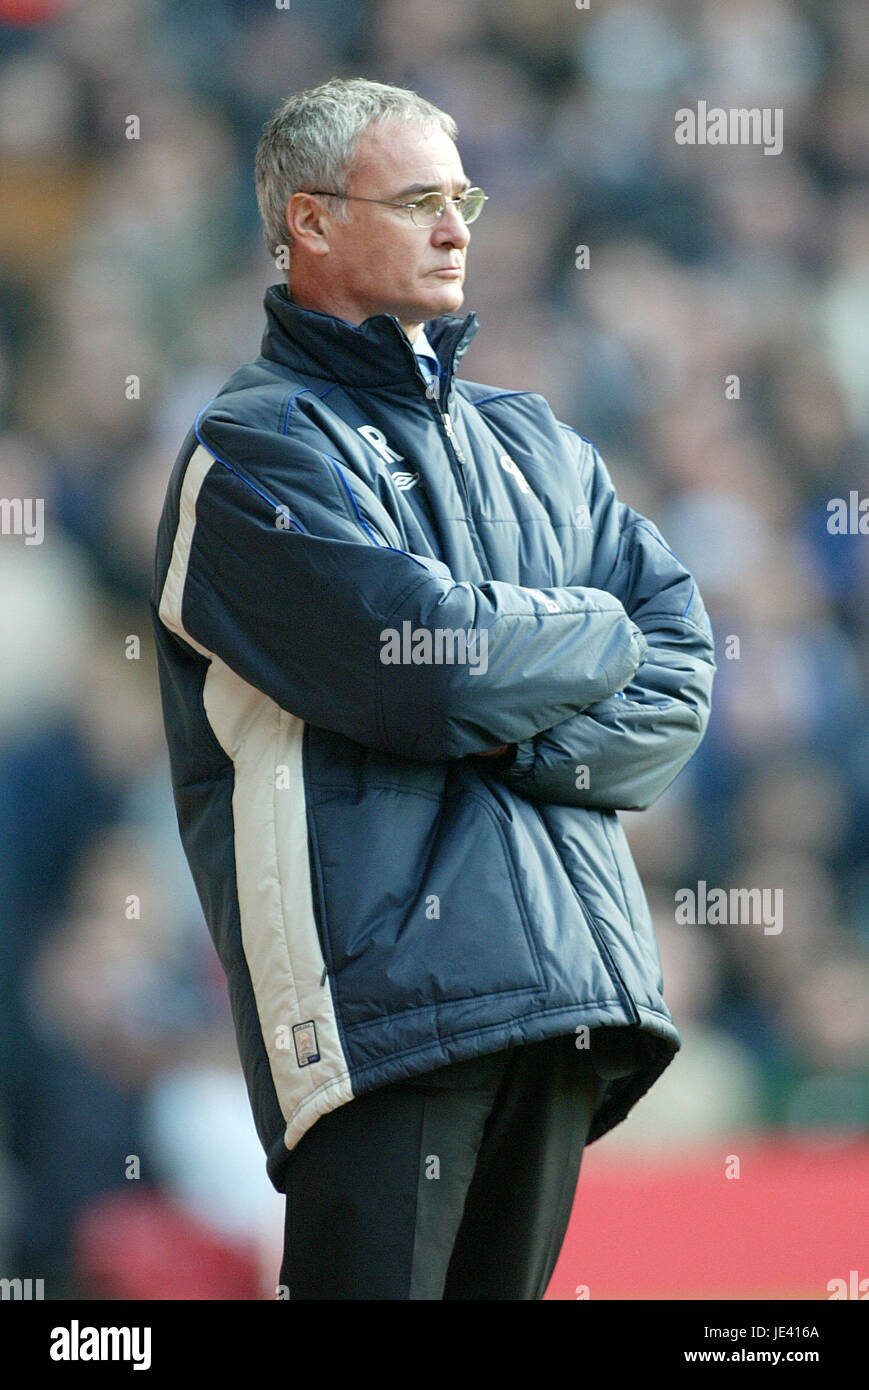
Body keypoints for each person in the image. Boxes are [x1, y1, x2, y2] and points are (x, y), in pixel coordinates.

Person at [150, 76, 716, 1300]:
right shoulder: (250, 449)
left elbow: (680, 672)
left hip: (567, 993)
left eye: (462, 196)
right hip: (386, 1014)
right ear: (307, 223)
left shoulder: (540, 440)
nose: (458, 227)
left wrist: (527, 741)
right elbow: (428, 667)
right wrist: (585, 631)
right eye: (418, 201)